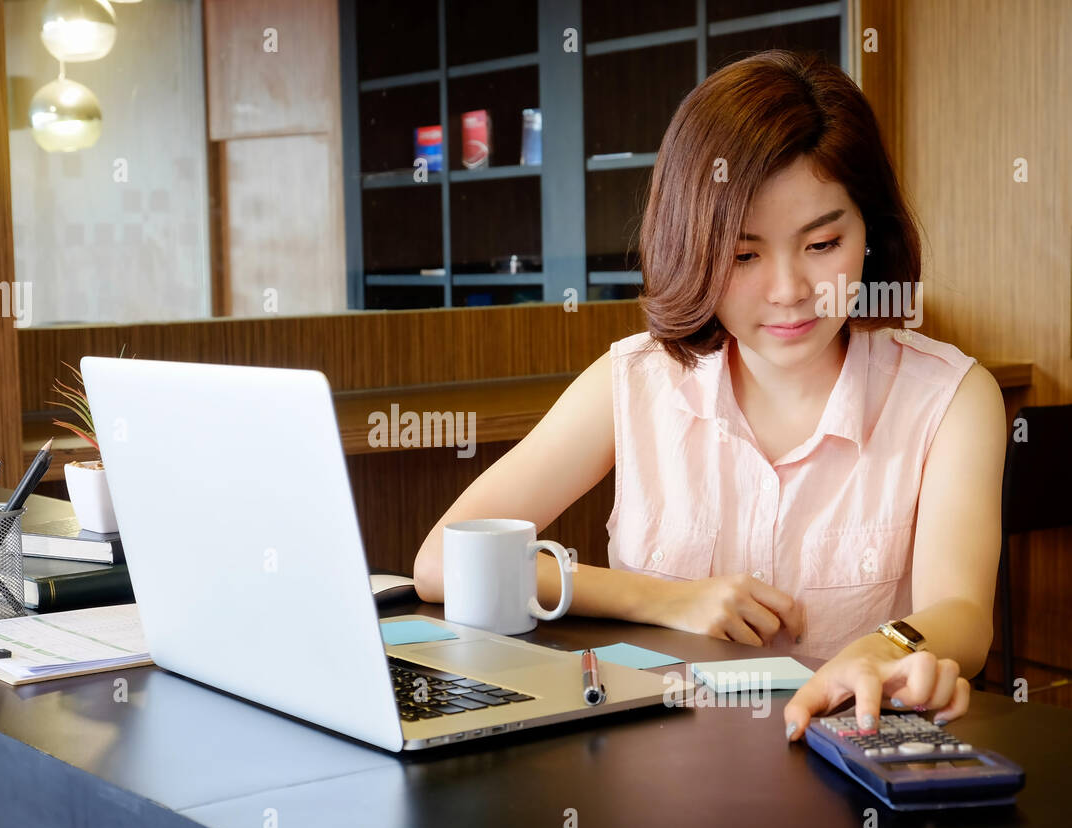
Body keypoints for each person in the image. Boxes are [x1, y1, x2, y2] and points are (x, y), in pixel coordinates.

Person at [411, 50, 1005, 744]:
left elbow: (962, 612)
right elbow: (439, 563)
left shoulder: (950, 399)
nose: (788, 291)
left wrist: (889, 649)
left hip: (847, 767)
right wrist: (666, 601)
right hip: (659, 778)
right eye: (744, 254)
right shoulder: (633, 383)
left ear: (871, 234)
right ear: (690, 244)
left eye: (822, 243)